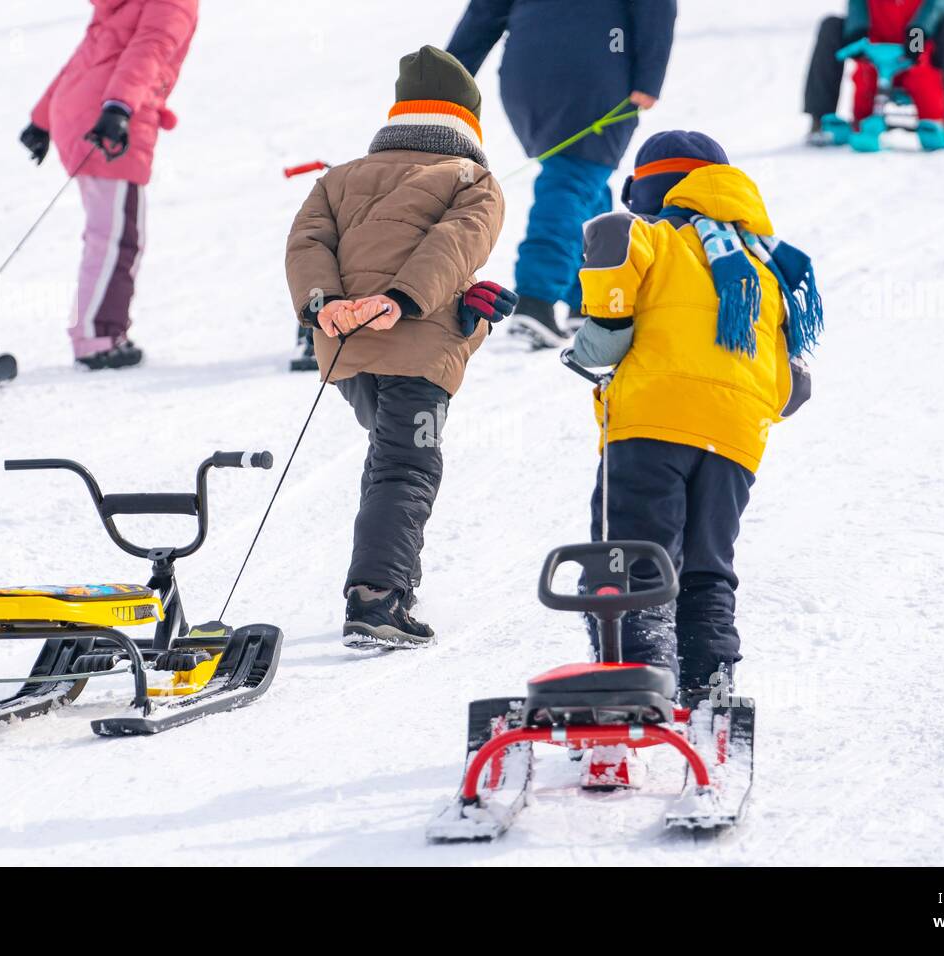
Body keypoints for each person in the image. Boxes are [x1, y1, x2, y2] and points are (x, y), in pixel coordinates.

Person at [569, 131, 821, 698]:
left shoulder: (653, 237)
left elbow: (609, 337)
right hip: (734, 442)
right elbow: (789, 391)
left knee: (630, 556)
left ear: (646, 191)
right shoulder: (762, 265)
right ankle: (710, 691)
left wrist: (581, 351)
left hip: (651, 427)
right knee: (706, 569)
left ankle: (638, 682)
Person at [285, 46, 509, 649]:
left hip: (344, 347)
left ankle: (394, 582)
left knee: (389, 452)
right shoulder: (472, 180)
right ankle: (377, 599)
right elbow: (454, 244)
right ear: (467, 121)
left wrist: (322, 304)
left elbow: (308, 242)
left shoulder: (339, 177)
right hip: (413, 342)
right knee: (406, 464)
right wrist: (403, 300)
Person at [447, 0, 676, 349]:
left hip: (526, 72)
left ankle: (585, 297)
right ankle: (536, 301)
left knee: (585, 179)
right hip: (593, 70)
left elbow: (485, 12)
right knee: (572, 178)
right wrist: (650, 77)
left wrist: (449, 77)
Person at [20, 0, 199, 371]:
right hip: (108, 120)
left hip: (85, 112)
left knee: (110, 233)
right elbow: (148, 50)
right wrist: (119, 107)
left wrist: (42, 119)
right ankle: (97, 337)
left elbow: (88, 56)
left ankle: (98, 330)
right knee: (115, 238)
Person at [805, 0, 944, 144]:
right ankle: (820, 120)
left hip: (921, 50)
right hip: (876, 48)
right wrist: (856, 31)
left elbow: (939, 5)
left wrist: (918, 33)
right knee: (830, 26)